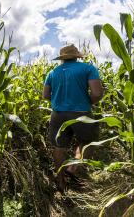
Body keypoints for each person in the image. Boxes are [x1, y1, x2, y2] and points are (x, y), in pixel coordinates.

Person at [43, 45, 104, 190]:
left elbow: (45, 95)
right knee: (89, 141)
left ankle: (60, 181)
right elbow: (97, 93)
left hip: (57, 114)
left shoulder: (52, 73)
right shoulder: (88, 69)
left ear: (62, 58)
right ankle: (72, 169)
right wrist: (86, 102)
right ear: (77, 56)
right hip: (81, 113)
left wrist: (60, 102)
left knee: (59, 147)